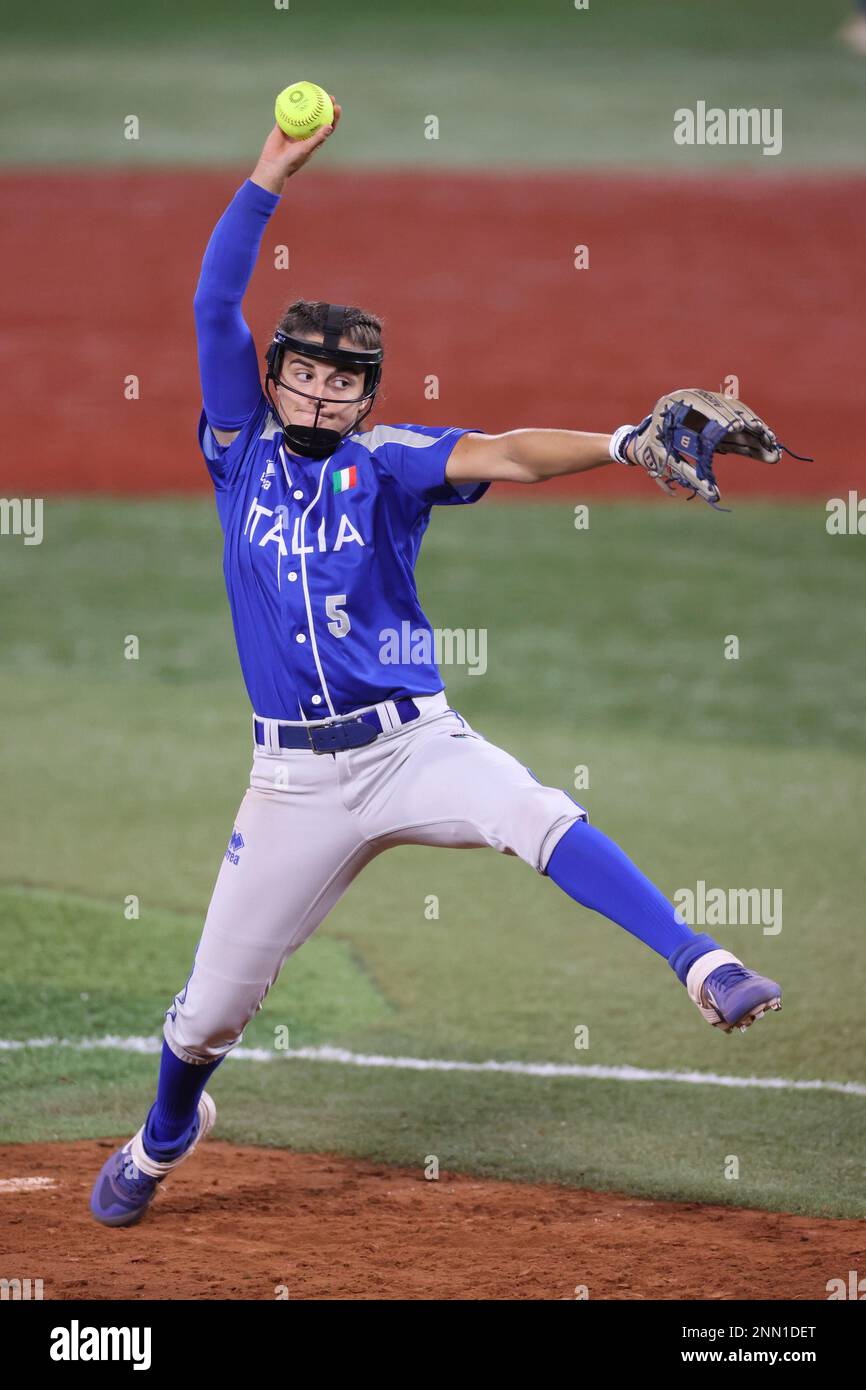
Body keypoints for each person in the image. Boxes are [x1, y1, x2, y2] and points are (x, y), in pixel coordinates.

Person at [90, 103, 781, 1228]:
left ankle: (701, 963)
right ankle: (167, 1132)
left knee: (530, 808)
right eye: (302, 376)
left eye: (342, 383)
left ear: (369, 393)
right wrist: (272, 167)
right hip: (292, 785)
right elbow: (215, 302)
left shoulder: (393, 462)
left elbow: (505, 452)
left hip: (412, 745)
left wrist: (616, 442)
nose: (319, 395)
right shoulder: (237, 452)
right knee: (208, 1015)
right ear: (272, 380)